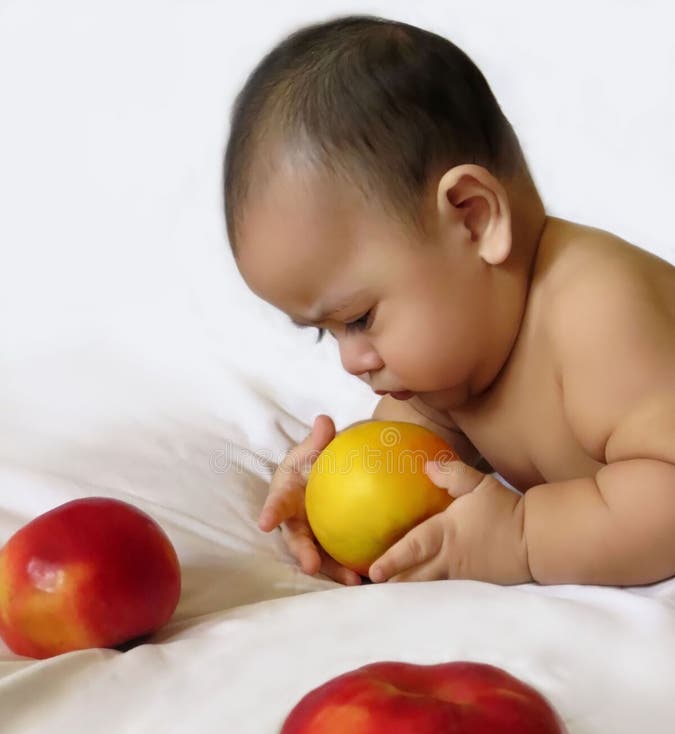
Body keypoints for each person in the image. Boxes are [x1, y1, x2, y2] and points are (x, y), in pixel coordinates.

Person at [222, 15, 675, 588]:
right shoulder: (454, 368)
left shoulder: (598, 312)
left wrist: (523, 539)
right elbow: (419, 457)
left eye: (360, 319)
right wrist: (334, 494)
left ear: (473, 217)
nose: (351, 360)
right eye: (327, 332)